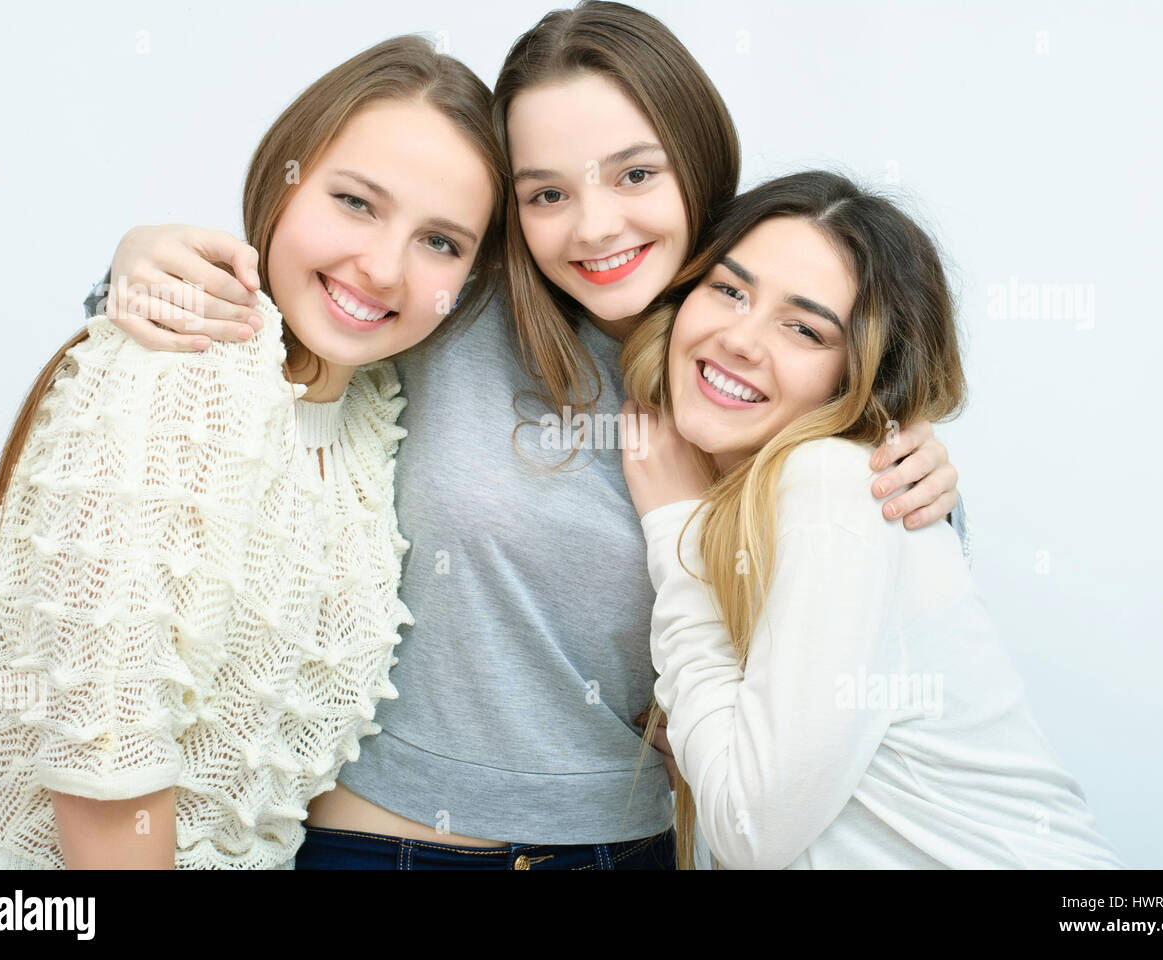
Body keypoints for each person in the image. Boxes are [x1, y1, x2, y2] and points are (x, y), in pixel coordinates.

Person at [81, 2, 963, 869]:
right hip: (385, 845)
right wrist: (136, 266)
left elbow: (859, 607)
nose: (595, 226)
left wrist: (916, 478)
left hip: (633, 850)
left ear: (699, 164)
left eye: (635, 175)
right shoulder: (449, 304)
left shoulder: (765, 370)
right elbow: (294, 311)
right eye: (548, 192)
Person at [0, 35, 503, 869]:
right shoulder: (177, 376)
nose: (384, 267)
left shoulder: (364, 414)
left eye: (442, 242)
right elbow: (107, 769)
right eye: (355, 202)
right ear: (285, 177)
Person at [620, 170, 1125, 869]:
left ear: (860, 379)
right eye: (730, 290)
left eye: (804, 328)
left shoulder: (830, 483)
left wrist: (678, 533)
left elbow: (750, 830)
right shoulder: (778, 497)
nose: (741, 339)